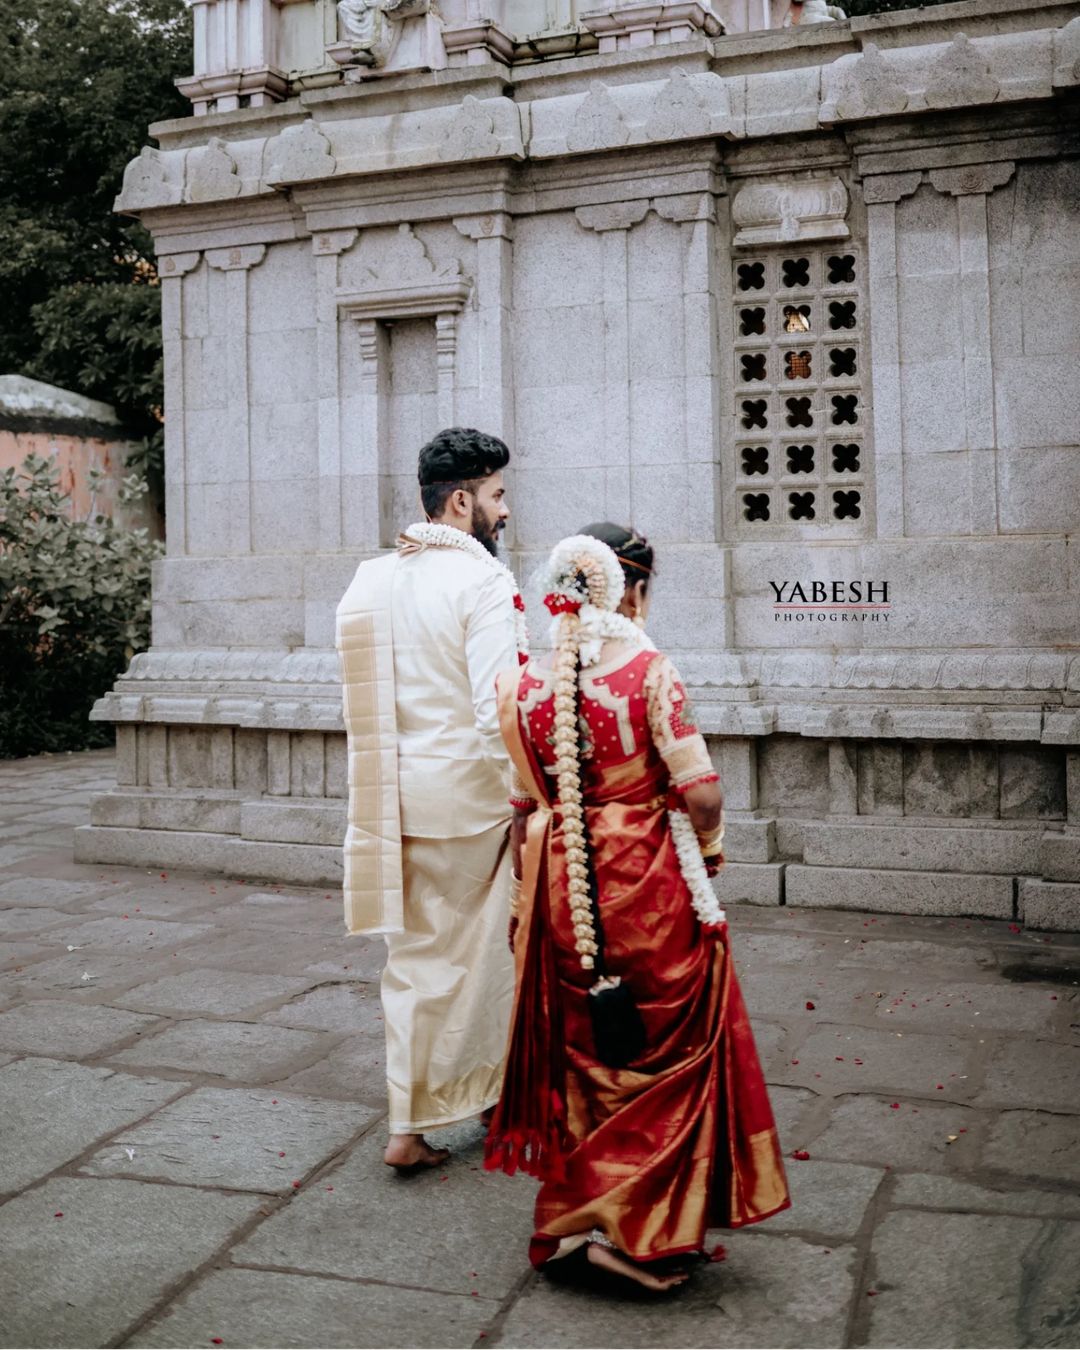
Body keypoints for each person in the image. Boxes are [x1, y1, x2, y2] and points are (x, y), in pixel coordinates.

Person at [485, 524, 790, 1292]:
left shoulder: (521, 683)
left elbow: (524, 808)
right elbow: (703, 791)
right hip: (645, 881)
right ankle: (632, 1235)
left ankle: (583, 1215)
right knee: (661, 1050)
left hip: (559, 880)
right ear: (634, 592)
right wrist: (709, 846)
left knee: (588, 1045)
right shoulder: (649, 671)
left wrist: (528, 907)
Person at [336, 427, 528, 1173]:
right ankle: (481, 1100)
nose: (504, 510)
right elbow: (496, 708)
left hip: (391, 798)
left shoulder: (374, 577)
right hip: (469, 801)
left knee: (414, 961)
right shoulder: (480, 581)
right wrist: (527, 795)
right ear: (460, 500)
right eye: (497, 494)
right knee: (480, 962)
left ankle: (407, 1128)